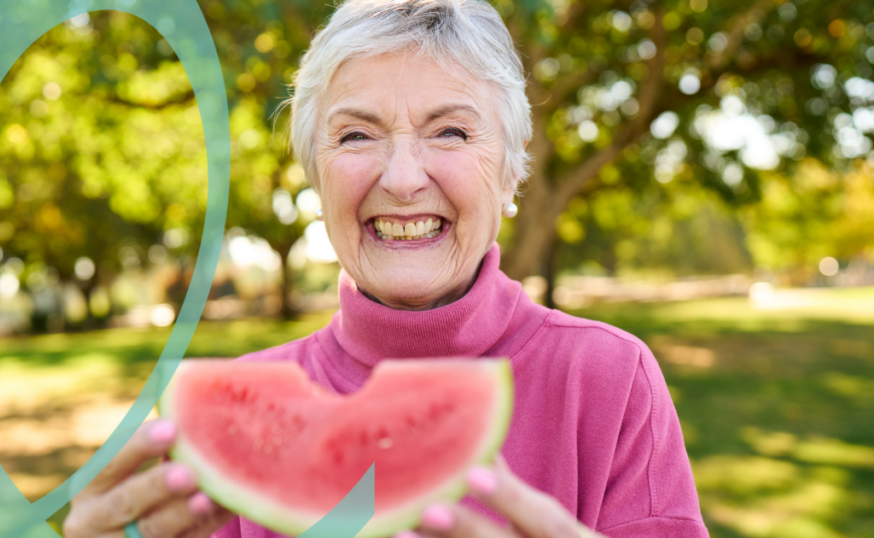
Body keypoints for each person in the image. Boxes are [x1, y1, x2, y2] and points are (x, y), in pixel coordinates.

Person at [63, 0, 710, 537]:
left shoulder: (609, 379)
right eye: (355, 135)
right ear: (315, 176)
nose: (402, 180)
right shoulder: (234, 421)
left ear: (512, 172)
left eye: (451, 132)